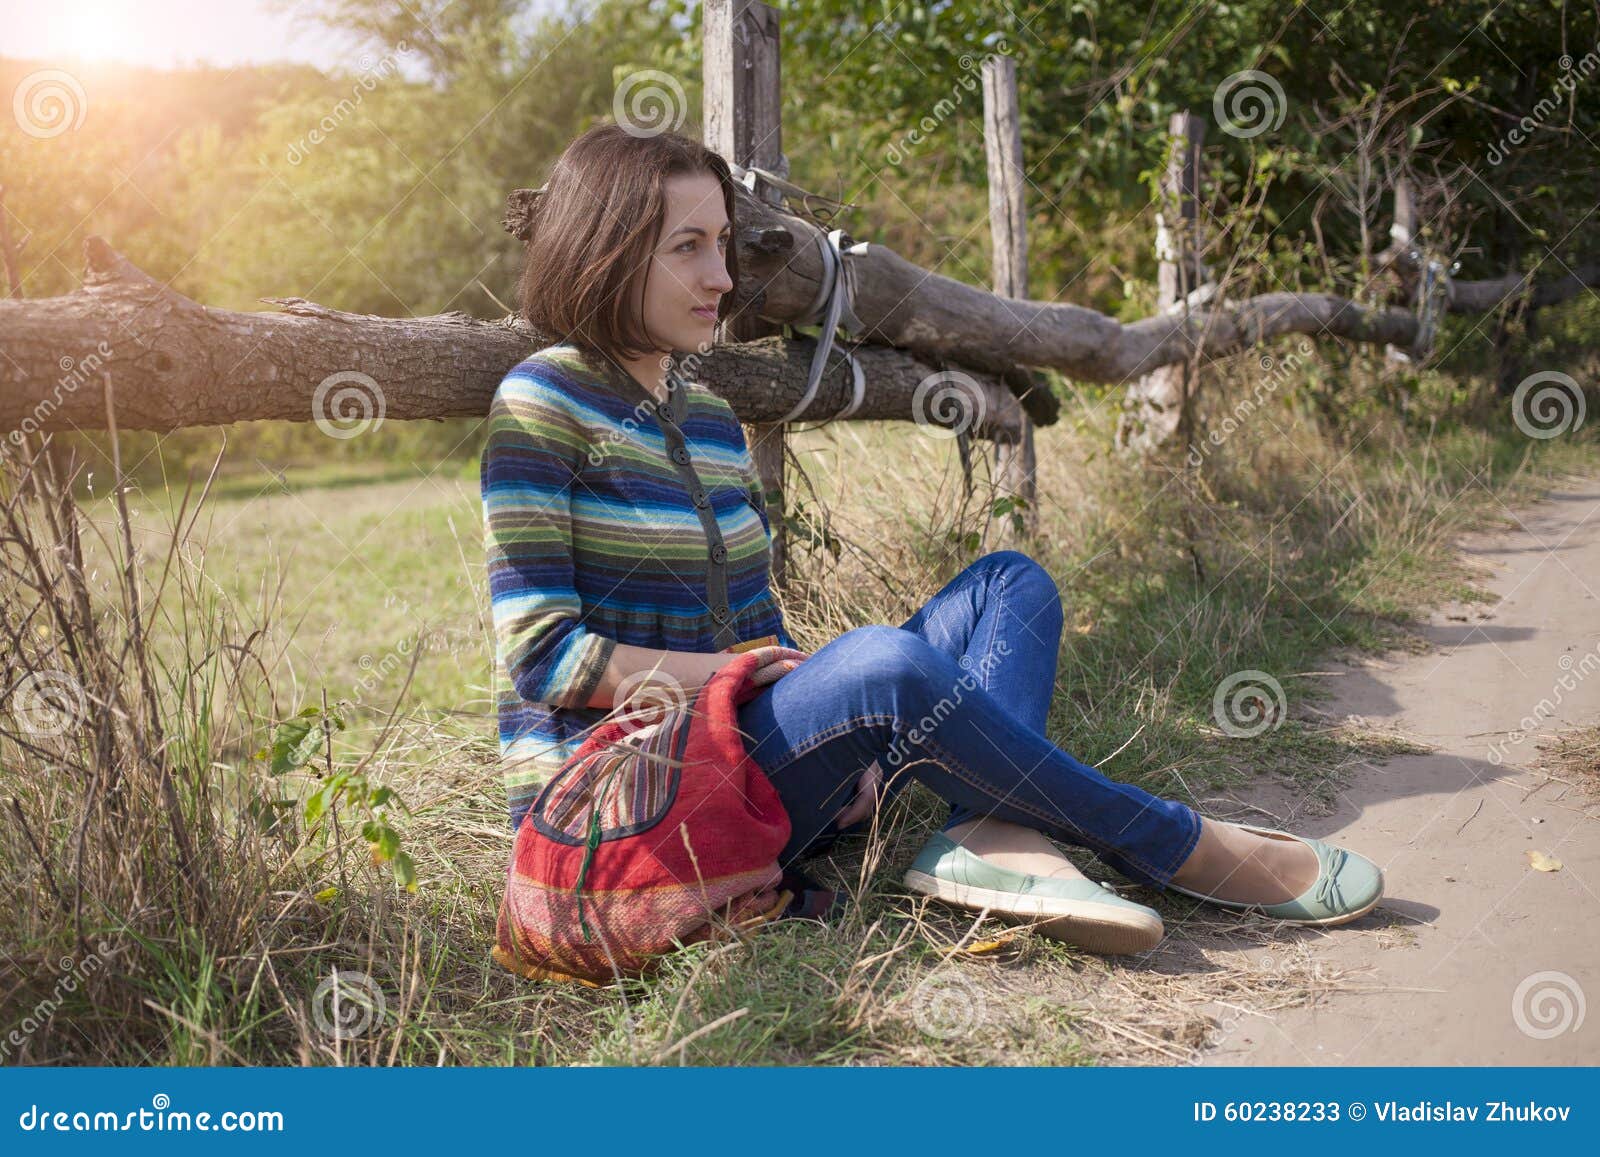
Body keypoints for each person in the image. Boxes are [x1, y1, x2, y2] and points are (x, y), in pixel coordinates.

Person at [481, 123, 1383, 956]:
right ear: (605, 252)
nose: (721, 276)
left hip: (750, 759)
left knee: (1009, 585)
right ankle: (1173, 845)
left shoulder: (710, 418)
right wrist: (756, 680)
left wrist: (818, 726)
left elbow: (757, 627)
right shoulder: (542, 402)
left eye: (721, 243)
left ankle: (990, 831)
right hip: (629, 800)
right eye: (689, 248)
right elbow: (545, 657)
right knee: (878, 663)